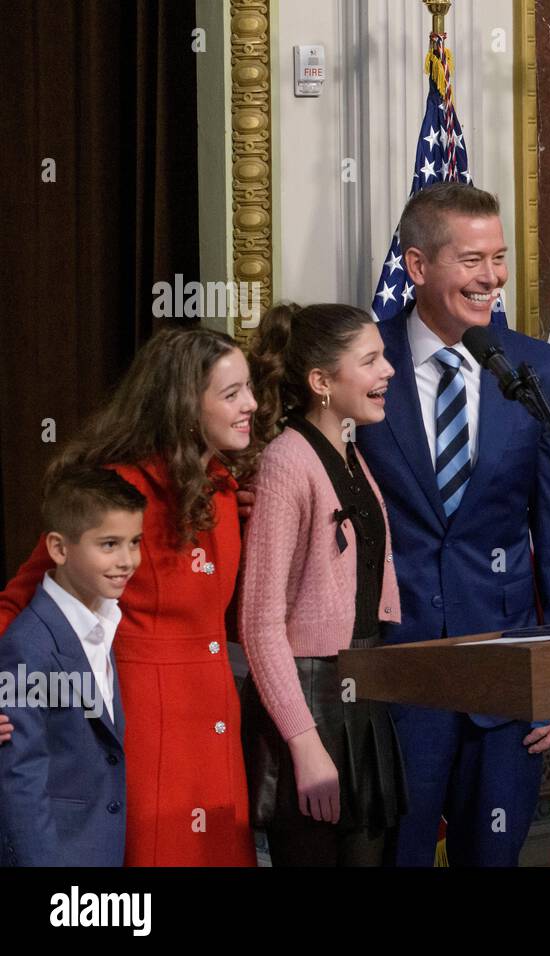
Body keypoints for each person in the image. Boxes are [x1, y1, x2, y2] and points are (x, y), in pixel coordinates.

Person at [355, 181, 550, 867]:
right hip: (399, 678)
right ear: (418, 265)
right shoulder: (366, 367)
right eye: (472, 260)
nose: (492, 277)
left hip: (508, 682)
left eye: (500, 257)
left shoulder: (537, 370)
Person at [0, 326, 258, 866]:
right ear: (185, 405)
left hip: (217, 723)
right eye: (232, 394)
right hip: (147, 731)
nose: (251, 405)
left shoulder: (225, 489)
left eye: (248, 389)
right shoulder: (118, 491)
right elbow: (21, 599)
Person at [240, 302, 407, 866]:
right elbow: (260, 623)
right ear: (321, 382)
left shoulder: (352, 454)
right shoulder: (287, 461)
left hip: (360, 693)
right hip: (311, 701)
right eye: (371, 360)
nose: (388, 371)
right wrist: (304, 742)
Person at [0, 467, 144, 866]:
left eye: (135, 542)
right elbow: (20, 780)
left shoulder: (104, 622)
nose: (128, 560)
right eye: (110, 544)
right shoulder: (29, 647)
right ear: (59, 549)